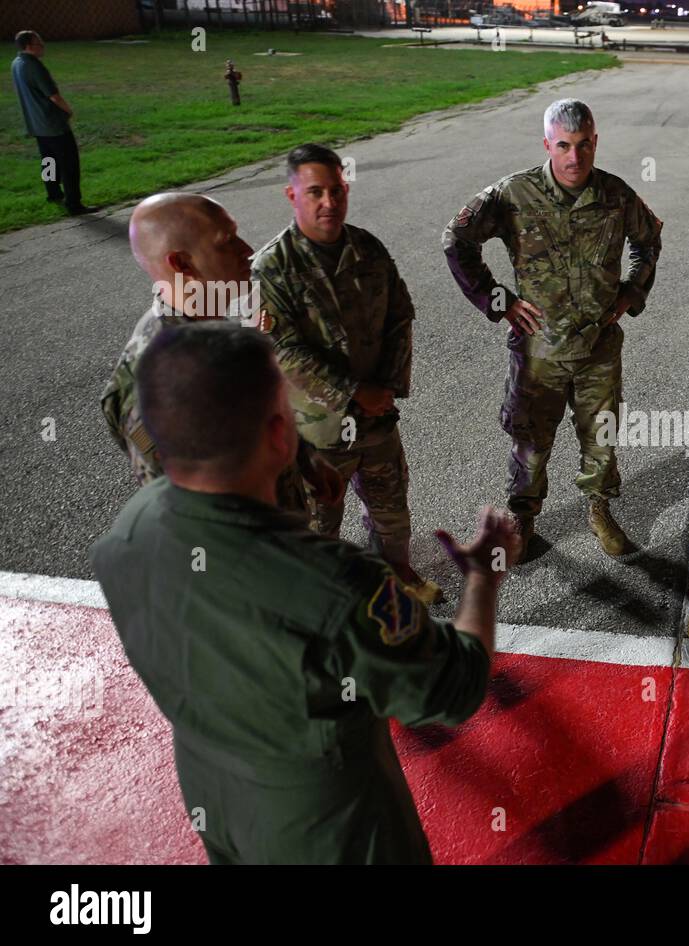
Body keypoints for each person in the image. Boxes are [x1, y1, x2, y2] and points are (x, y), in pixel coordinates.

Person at [90, 322, 520, 864]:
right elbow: (455, 689)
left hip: (217, 803)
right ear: (279, 435)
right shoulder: (335, 584)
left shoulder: (125, 538)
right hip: (330, 835)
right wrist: (482, 577)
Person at [442, 98, 663, 557]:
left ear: (595, 142)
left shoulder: (617, 196)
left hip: (598, 347)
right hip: (538, 351)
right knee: (531, 442)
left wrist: (631, 291)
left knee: (600, 436)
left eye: (584, 145)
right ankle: (523, 518)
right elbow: (457, 239)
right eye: (564, 145)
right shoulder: (513, 195)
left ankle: (599, 511)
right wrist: (497, 300)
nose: (575, 157)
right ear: (547, 144)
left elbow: (649, 240)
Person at [252, 143, 439, 602]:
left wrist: (389, 387)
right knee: (318, 524)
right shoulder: (272, 268)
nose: (329, 203)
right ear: (292, 195)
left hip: (377, 419)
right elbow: (283, 352)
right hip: (316, 433)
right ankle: (322, 601)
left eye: (337, 190)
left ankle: (396, 577)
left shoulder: (368, 249)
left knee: (391, 510)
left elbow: (400, 315)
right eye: (315, 192)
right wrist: (357, 392)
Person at [102, 192, 341, 512]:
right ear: (182, 263)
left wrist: (306, 461)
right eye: (226, 241)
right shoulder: (155, 381)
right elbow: (189, 516)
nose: (247, 250)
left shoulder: (224, 319)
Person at [10, 31, 93, 215]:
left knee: (48, 160)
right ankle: (74, 204)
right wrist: (68, 111)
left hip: (36, 124)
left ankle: (53, 192)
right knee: (69, 164)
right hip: (52, 124)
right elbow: (53, 95)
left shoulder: (16, 63)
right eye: (40, 43)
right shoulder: (34, 66)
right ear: (29, 46)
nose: (43, 47)